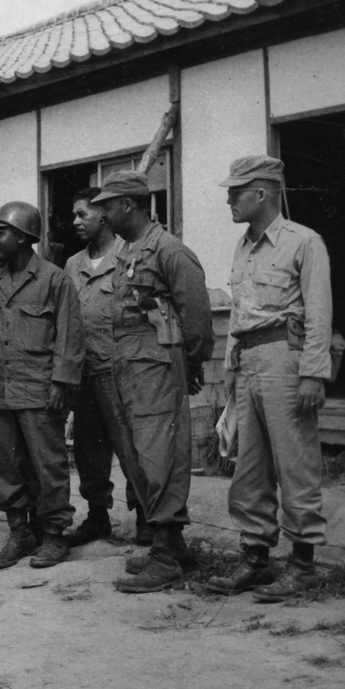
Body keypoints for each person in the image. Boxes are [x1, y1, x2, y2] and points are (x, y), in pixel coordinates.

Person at [206, 155, 332, 601]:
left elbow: (318, 313)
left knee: (295, 462)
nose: (228, 199)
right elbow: (240, 314)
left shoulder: (304, 242)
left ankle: (302, 566)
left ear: (261, 193)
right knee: (250, 468)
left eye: (235, 192)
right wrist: (228, 369)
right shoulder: (243, 247)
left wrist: (313, 374)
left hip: (286, 359)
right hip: (248, 362)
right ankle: (256, 558)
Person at [92, 171, 214, 593]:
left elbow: (197, 318)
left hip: (157, 369)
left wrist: (190, 365)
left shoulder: (170, 251)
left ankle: (165, 555)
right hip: (128, 368)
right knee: (140, 456)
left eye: (107, 206)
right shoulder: (130, 252)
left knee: (160, 455)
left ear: (128, 205)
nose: (102, 215)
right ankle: (172, 546)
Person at [0, 202, 84, 569]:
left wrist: (62, 383)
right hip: (0, 390)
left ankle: (53, 535)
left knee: (47, 465)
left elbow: (70, 335)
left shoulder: (54, 280)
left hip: (39, 390)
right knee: (6, 465)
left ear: (23, 237)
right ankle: (19, 531)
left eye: (0, 232)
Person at [63, 189, 150, 547]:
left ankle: (147, 516)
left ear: (103, 215)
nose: (75, 222)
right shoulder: (72, 265)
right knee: (88, 450)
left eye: (82, 214)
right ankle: (97, 516)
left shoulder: (130, 256)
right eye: (74, 215)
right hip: (84, 372)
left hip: (121, 372)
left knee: (132, 449)